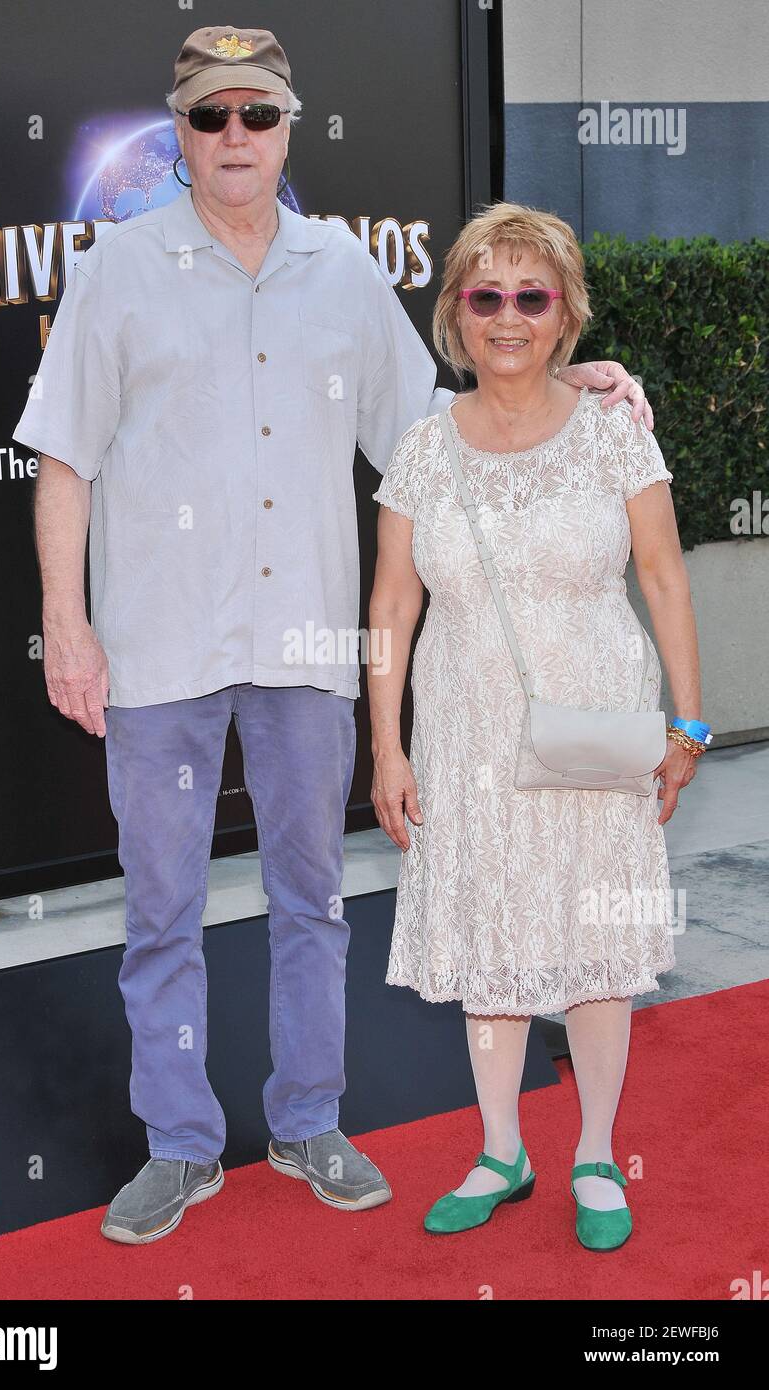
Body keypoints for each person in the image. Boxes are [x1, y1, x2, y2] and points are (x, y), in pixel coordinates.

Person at [12, 24, 652, 1245]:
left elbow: (431, 429)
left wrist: (562, 382)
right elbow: (62, 459)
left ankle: (308, 1120)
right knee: (161, 910)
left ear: (289, 127)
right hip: (157, 647)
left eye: (257, 115)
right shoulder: (117, 269)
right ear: (181, 129)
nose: (235, 137)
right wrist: (65, 623)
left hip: (307, 644)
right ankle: (180, 1144)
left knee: (312, 898)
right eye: (210, 117)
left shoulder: (343, 272)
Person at [368, 202, 706, 1251]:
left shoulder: (614, 431)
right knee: (489, 939)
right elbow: (388, 608)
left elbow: (660, 575)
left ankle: (595, 1151)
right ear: (456, 314)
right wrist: (382, 743)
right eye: (486, 295)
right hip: (464, 737)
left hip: (594, 724)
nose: (506, 316)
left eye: (530, 295)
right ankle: (500, 1147)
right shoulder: (421, 450)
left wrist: (686, 722)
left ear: (563, 318)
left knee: (594, 940)